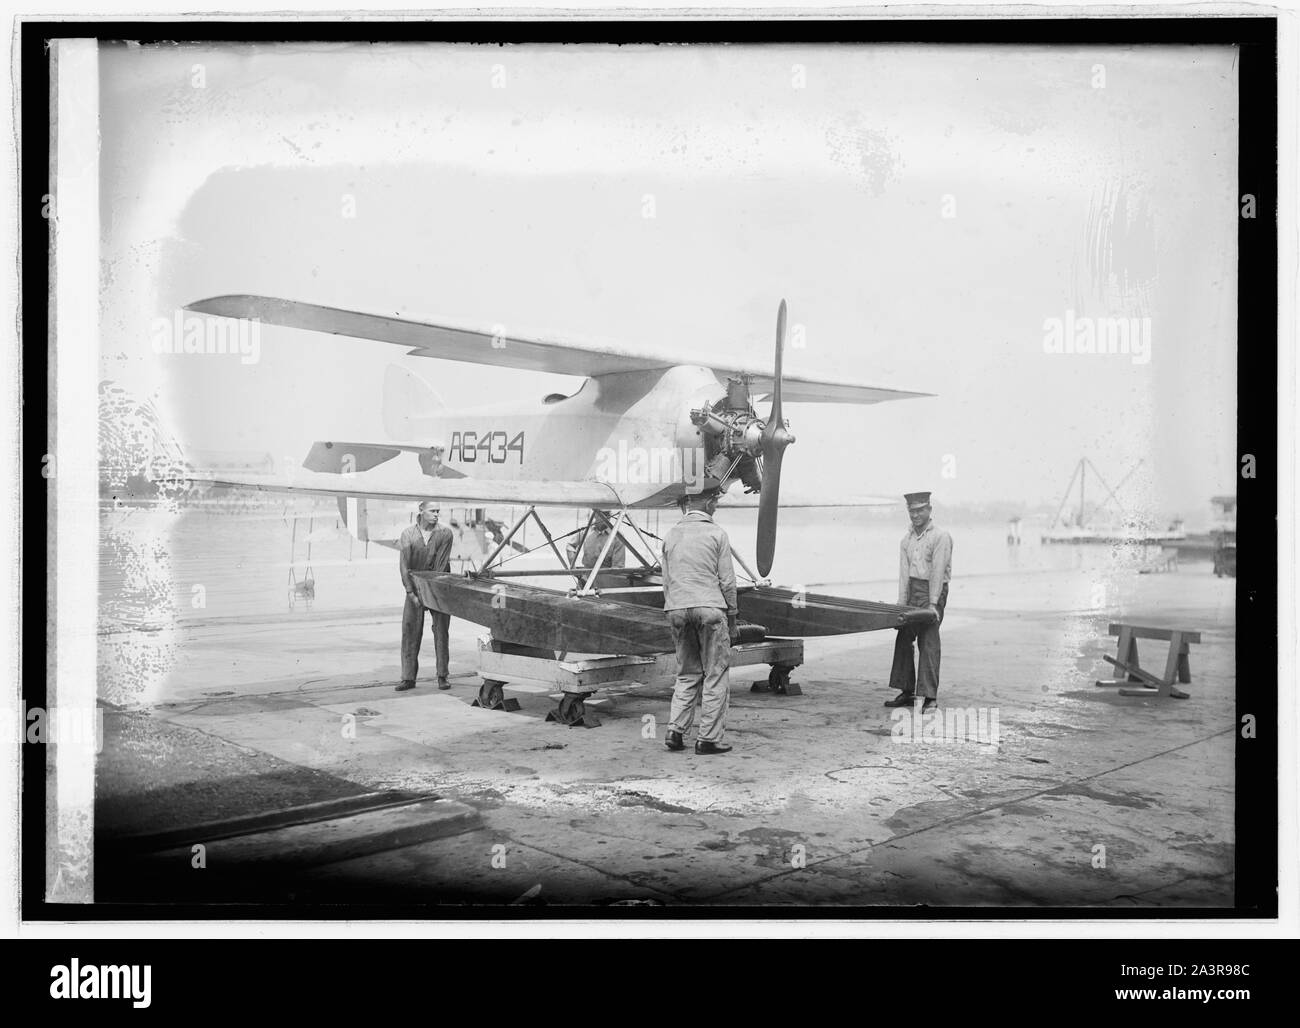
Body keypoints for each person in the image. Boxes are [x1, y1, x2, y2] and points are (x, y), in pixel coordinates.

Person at [660, 488, 739, 755]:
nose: (716, 505)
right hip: (709, 609)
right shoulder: (717, 534)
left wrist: (674, 608)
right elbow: (727, 582)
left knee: (687, 672)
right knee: (715, 673)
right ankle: (707, 740)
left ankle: (675, 731)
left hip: (677, 609)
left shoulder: (671, 535)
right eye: (715, 501)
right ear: (706, 502)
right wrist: (734, 616)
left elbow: (667, 581)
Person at [886, 491, 953, 712]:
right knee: (904, 636)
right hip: (913, 591)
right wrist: (900, 604)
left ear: (929, 510)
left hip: (932, 591)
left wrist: (933, 604)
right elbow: (904, 575)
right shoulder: (906, 540)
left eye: (919, 510)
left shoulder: (940, 537)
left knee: (928, 640)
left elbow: (937, 572)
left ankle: (930, 697)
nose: (915, 515)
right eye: (911, 511)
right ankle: (906, 691)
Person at [397, 501, 454, 691]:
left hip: (438, 590)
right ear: (421, 511)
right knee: (410, 632)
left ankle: (442, 676)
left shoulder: (445, 534)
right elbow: (404, 565)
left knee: (441, 633)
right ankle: (408, 678)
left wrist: (432, 592)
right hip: (414, 589)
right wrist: (410, 591)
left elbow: (440, 565)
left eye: (438, 511)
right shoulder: (408, 534)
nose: (437, 514)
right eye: (433, 511)